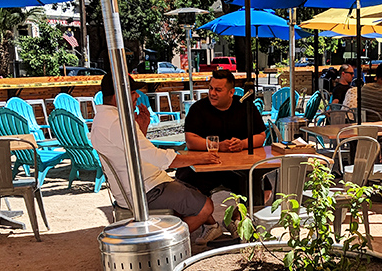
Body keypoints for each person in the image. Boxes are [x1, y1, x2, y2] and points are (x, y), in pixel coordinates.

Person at [90, 72, 224, 251]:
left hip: (141, 185)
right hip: (145, 191)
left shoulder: (104, 119)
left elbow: (131, 154)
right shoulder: (118, 123)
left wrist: (141, 128)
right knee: (206, 207)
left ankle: (211, 228)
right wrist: (202, 157)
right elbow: (159, 158)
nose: (137, 96)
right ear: (118, 97)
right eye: (132, 92)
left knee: (194, 191)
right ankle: (161, 247)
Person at [176, 69, 266, 199]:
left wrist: (242, 144)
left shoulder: (245, 106)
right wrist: (218, 146)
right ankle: (205, 217)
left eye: (218, 90)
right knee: (189, 185)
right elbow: (191, 141)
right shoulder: (198, 108)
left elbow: (261, 136)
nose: (212, 93)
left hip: (238, 166)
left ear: (231, 92)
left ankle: (241, 215)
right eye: (211, 88)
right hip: (204, 166)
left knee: (260, 183)